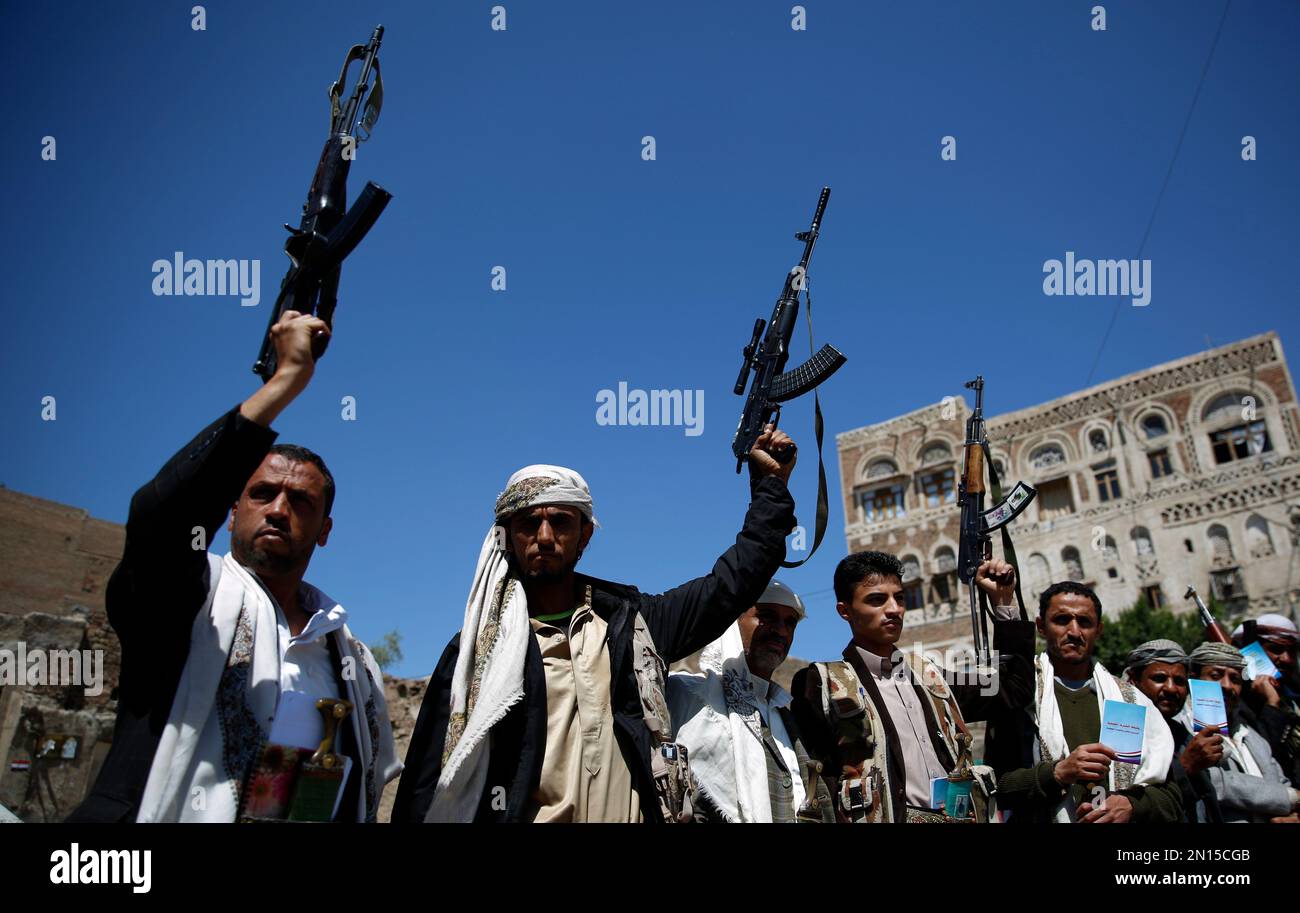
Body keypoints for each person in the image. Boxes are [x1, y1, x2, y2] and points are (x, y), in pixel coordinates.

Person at [68, 311, 400, 823]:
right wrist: (284, 384)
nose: (278, 510)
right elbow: (160, 517)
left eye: (300, 501)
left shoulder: (348, 656)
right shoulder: (189, 596)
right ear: (230, 514)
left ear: (325, 530)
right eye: (262, 494)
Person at [392, 427, 799, 822]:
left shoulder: (635, 627)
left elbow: (734, 582)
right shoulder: (476, 655)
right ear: (508, 537)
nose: (545, 536)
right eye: (528, 523)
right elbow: (425, 785)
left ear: (585, 535)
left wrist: (770, 487)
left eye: (561, 522)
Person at [790, 550, 1036, 823]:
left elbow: (1014, 690)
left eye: (899, 598)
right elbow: (818, 781)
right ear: (845, 610)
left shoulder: (930, 677)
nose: (894, 609)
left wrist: (1002, 601)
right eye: (876, 600)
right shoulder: (824, 684)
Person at [995, 582, 1182, 823]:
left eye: (1085, 622)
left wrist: (1132, 805)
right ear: (1041, 626)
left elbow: (1173, 797)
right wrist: (1058, 773)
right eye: (1062, 620)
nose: (1074, 632)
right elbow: (995, 788)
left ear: (1099, 629)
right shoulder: (1019, 696)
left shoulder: (1130, 700)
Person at [667, 580, 834, 822]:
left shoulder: (786, 719)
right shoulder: (688, 696)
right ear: (733, 621)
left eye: (790, 623)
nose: (782, 631)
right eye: (767, 616)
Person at [1181, 642, 1300, 824]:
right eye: (1216, 676)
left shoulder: (1250, 735)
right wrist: (1289, 798)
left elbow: (1280, 779)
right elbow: (1213, 782)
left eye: (1235, 679)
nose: (1227, 686)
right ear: (1194, 678)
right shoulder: (1181, 728)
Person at [1123, 639, 1222, 823]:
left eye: (1179, 681)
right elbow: (1126, 802)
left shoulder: (1180, 733)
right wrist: (1185, 767)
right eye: (1159, 679)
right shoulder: (1124, 728)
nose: (1171, 688)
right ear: (1134, 680)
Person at [1234, 614, 1300, 786]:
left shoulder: (1293, 695)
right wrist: (1271, 705)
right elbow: (1267, 757)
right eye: (1276, 649)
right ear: (1253, 653)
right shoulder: (1236, 704)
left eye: (1292, 651)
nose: (1286, 659)